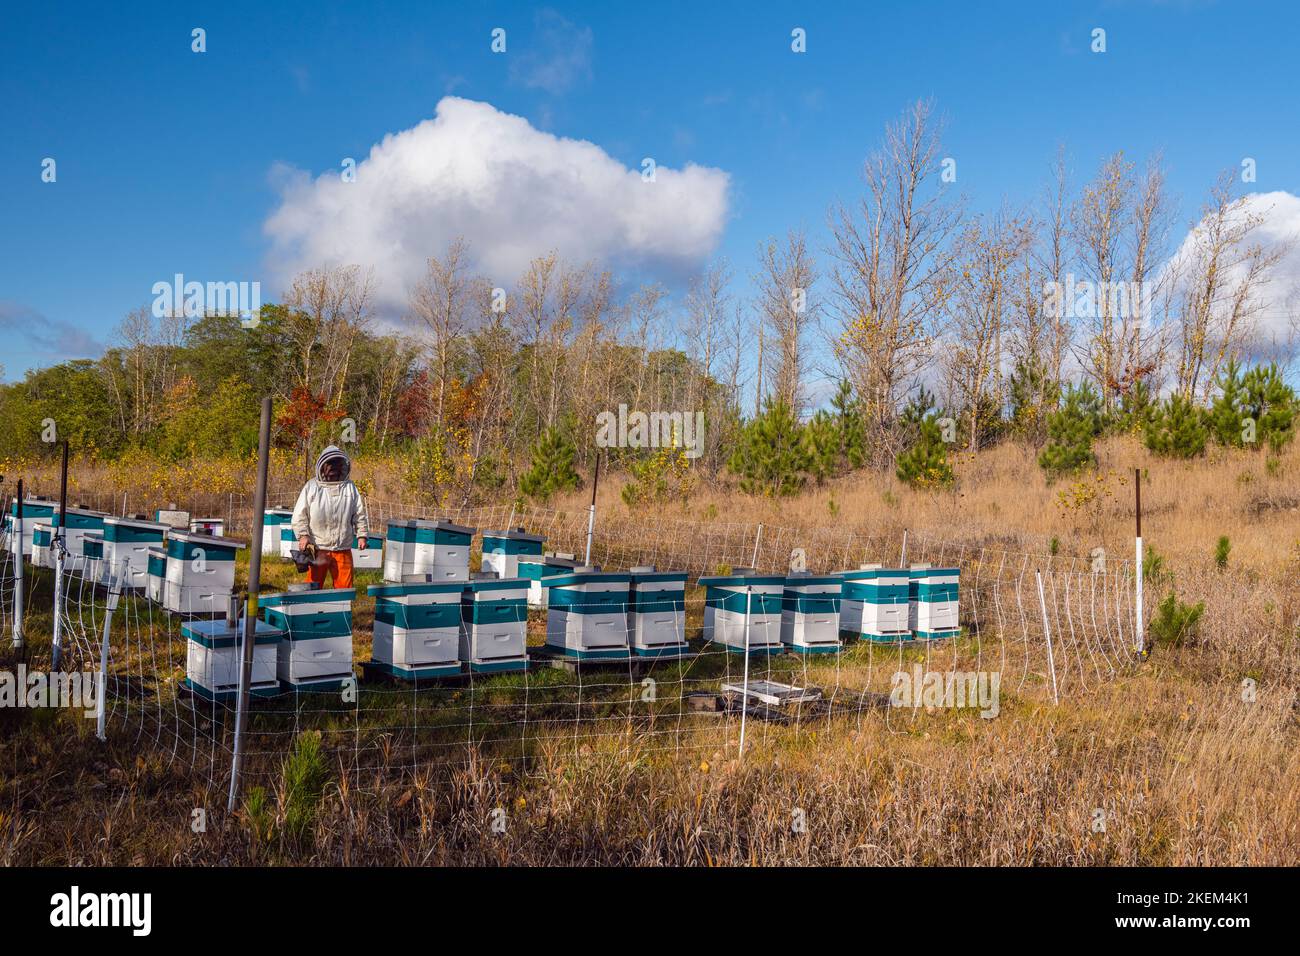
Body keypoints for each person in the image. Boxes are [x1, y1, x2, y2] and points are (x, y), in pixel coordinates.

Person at [290, 445, 370, 589]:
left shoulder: (350, 488)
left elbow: (359, 513)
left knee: (344, 590)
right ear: (322, 466)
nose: (333, 468)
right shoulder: (312, 487)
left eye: (336, 464)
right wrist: (303, 535)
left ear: (342, 466)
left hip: (343, 549)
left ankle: (341, 612)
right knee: (312, 588)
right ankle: (310, 611)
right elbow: (299, 515)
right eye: (329, 464)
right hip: (318, 548)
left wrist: (362, 535)